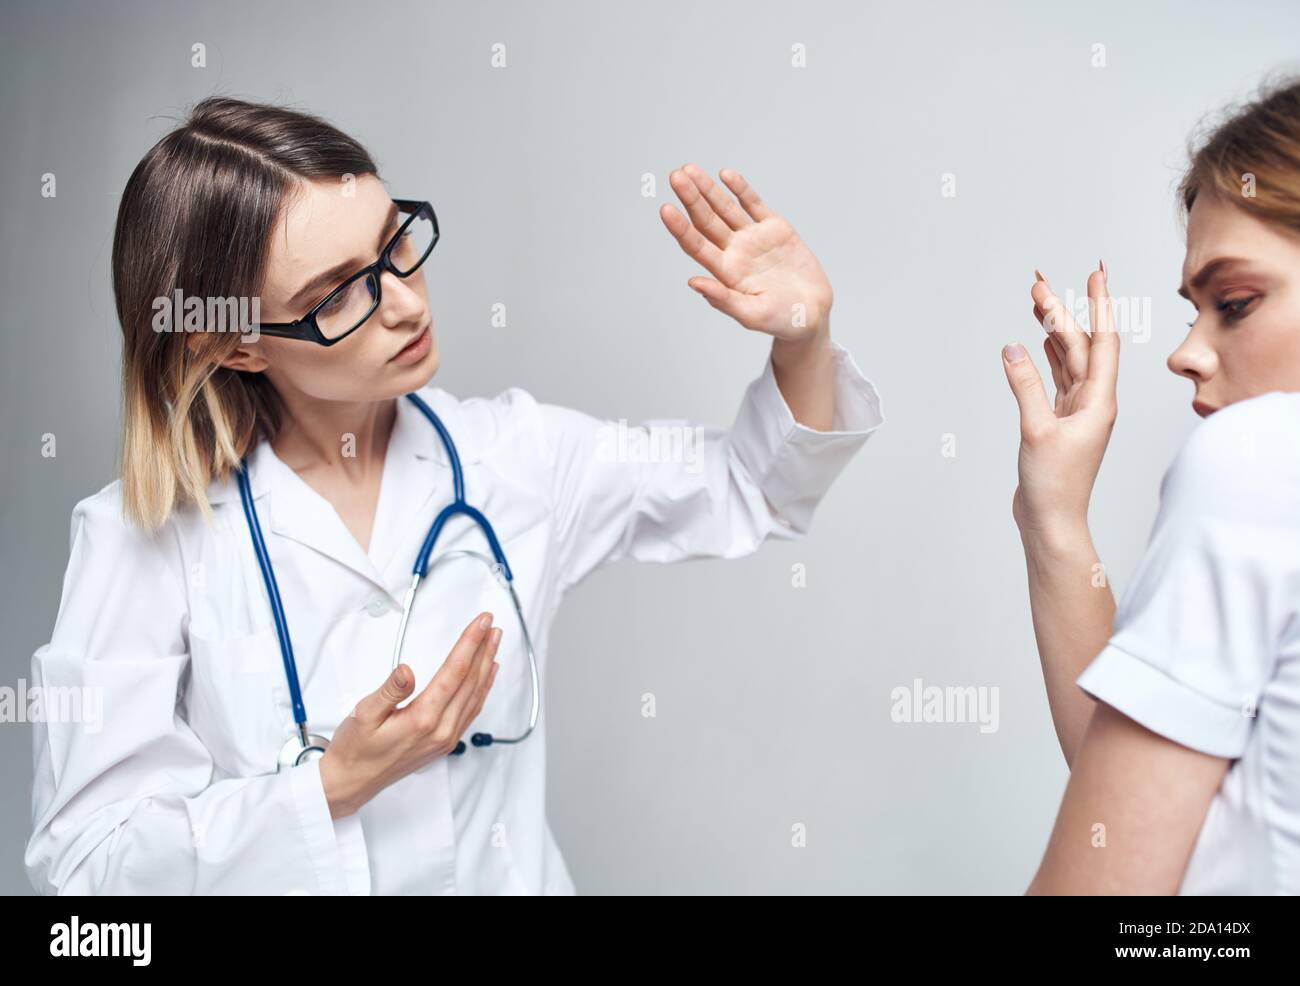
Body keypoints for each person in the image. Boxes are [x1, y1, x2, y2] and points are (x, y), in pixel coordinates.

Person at [25, 97, 883, 895]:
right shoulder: (145, 539)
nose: (403, 303)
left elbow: (753, 487)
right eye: (336, 294)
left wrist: (804, 340)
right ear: (237, 345)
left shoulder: (514, 457)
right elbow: (87, 870)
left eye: (396, 245)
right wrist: (330, 788)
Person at [1001, 78, 1300, 893]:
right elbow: (1150, 809)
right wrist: (1054, 515)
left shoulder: (1262, 458)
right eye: (1193, 310)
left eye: (1234, 303)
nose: (1185, 352)